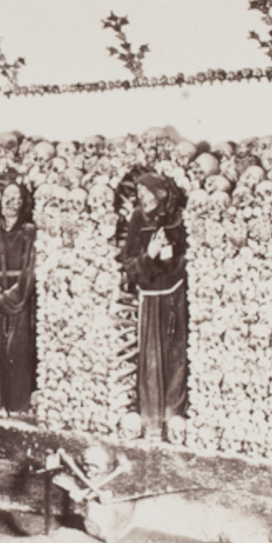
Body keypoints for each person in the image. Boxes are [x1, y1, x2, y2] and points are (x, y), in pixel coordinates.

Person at [118, 171, 188, 439]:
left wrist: (172, 259)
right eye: (139, 195)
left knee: (175, 356)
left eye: (147, 194)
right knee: (150, 358)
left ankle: (174, 415)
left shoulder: (179, 217)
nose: (142, 199)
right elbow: (129, 263)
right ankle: (151, 419)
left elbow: (188, 257)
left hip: (173, 294)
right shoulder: (138, 218)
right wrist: (150, 256)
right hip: (150, 295)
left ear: (161, 194)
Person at [0, 180, 37, 417]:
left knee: (17, 348)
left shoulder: (28, 231)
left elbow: (28, 270)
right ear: (0, 202)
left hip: (18, 299)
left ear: (22, 204)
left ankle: (17, 403)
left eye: (17, 200)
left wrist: (10, 296)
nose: (11, 205)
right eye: (7, 199)